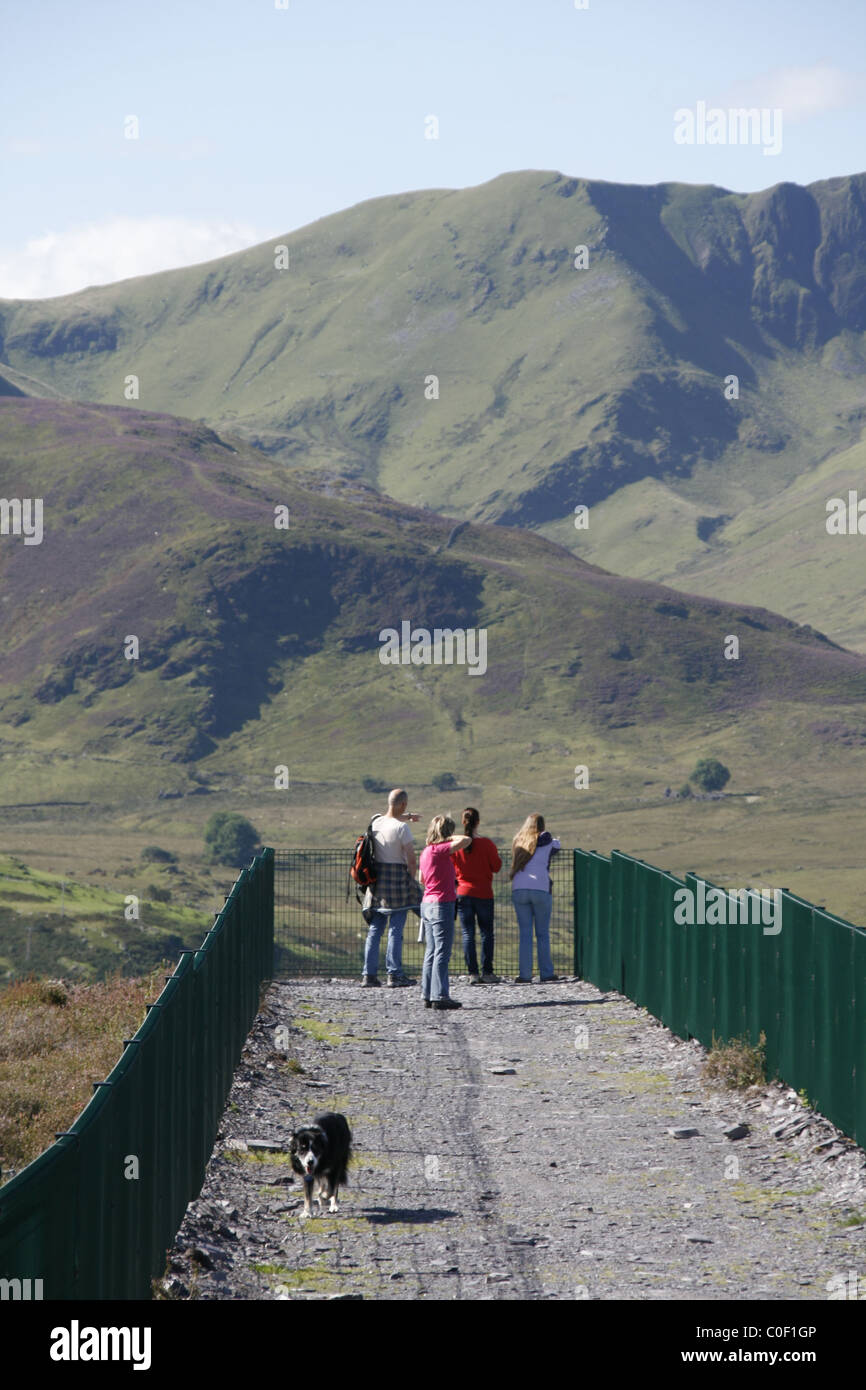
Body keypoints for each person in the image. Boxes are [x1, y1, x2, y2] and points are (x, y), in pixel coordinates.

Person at [361, 788, 422, 987]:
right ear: (403, 804)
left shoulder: (375, 822)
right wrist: (410, 881)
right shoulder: (402, 829)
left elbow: (390, 817)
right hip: (397, 879)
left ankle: (368, 975)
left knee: (375, 928)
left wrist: (407, 816)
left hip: (376, 880)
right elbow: (412, 861)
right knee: (396, 928)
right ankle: (394, 974)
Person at [419, 815, 471, 1010]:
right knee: (442, 951)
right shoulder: (440, 850)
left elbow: (422, 879)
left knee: (431, 951)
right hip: (442, 903)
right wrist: (447, 837)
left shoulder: (425, 852)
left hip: (427, 903)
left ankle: (427, 993)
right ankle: (440, 995)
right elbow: (467, 840)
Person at [509, 813, 561, 984]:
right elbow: (557, 846)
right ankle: (546, 972)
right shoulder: (548, 842)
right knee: (542, 933)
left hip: (519, 888)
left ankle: (524, 975)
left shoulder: (518, 840)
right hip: (540, 888)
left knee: (525, 934)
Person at [452, 808, 502, 983]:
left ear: (463, 822)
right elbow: (496, 866)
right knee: (487, 933)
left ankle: (472, 973)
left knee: (468, 934)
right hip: (484, 893)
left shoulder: (457, 846)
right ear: (478, 822)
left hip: (463, 893)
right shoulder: (487, 844)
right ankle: (487, 972)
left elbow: (451, 868)